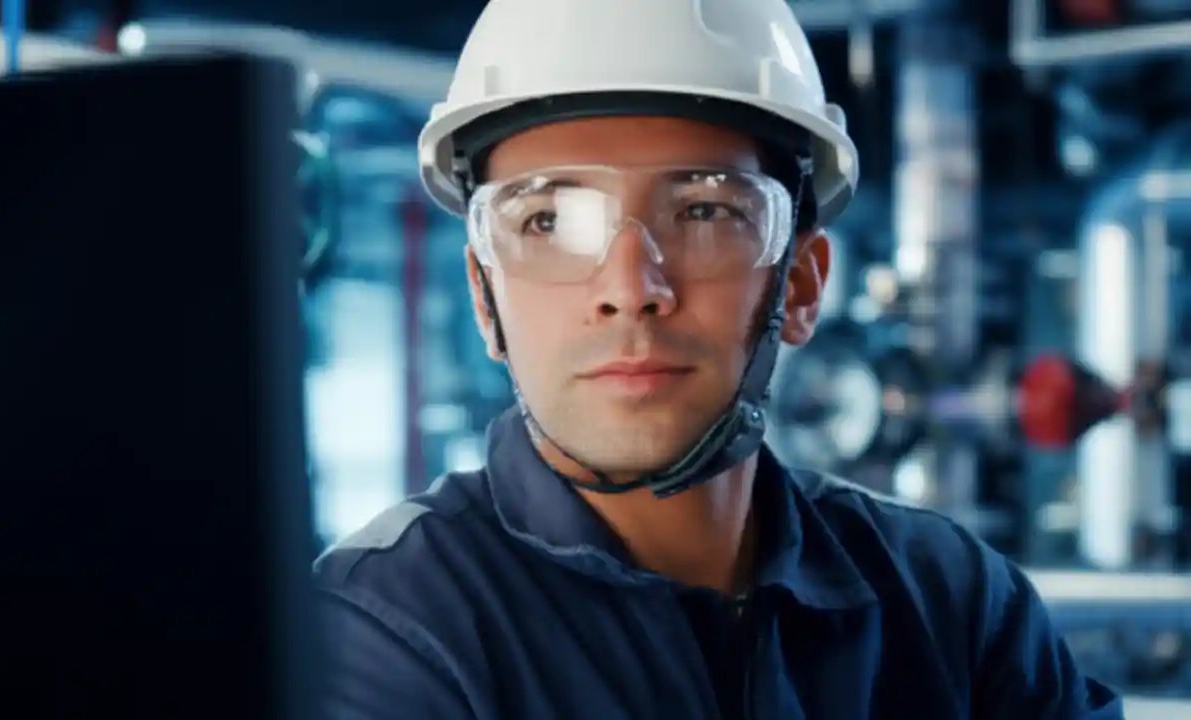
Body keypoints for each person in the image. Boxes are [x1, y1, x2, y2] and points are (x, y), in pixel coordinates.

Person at [315, 0, 1124, 717]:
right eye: (548, 222)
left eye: (702, 210)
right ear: (485, 296)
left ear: (802, 284)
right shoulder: (382, 633)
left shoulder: (954, 605)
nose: (630, 288)